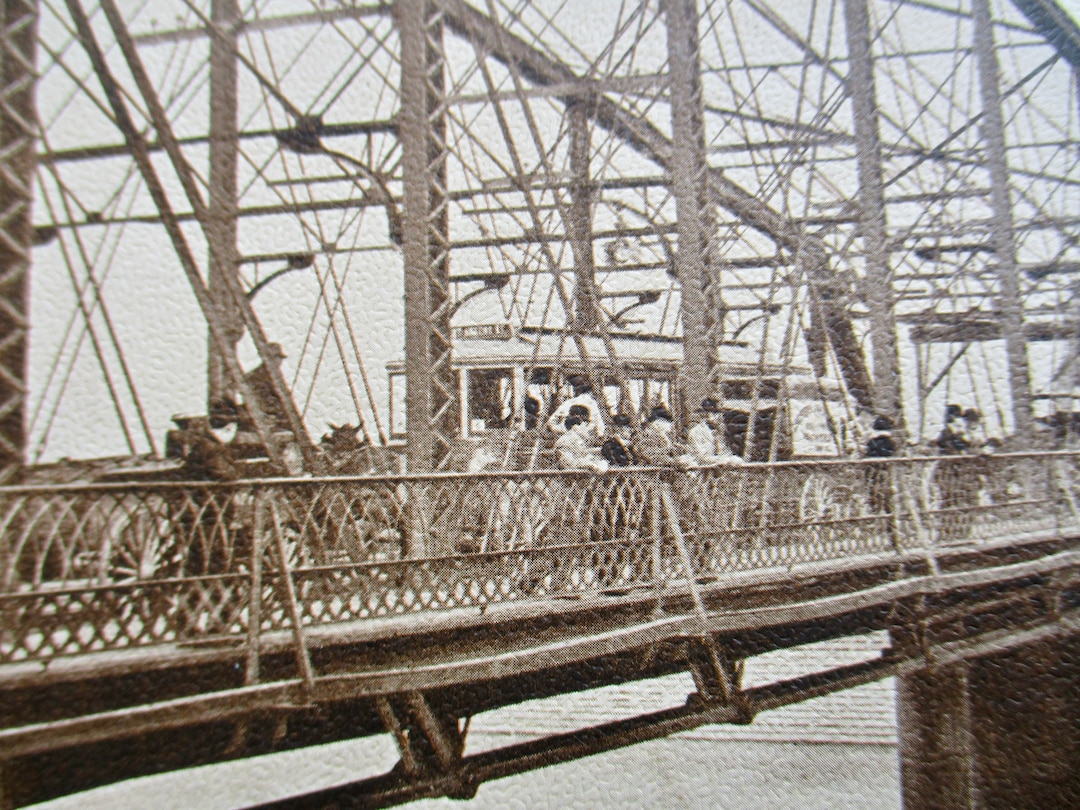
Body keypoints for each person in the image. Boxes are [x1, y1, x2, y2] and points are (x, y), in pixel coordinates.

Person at [184, 399, 242, 481]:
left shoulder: (205, 443)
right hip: (223, 477)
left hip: (215, 478)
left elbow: (191, 466)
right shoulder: (213, 443)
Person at [683, 398, 743, 466]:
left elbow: (725, 451)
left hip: (717, 470)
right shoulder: (696, 432)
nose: (719, 417)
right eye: (715, 413)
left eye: (718, 413)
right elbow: (702, 457)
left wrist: (731, 459)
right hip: (700, 470)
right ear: (705, 415)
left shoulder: (718, 432)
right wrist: (723, 460)